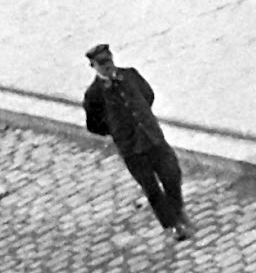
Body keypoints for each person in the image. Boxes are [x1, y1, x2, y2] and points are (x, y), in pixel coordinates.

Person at [81, 43, 193, 242]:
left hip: (153, 138)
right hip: (132, 149)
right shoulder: (94, 95)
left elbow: (148, 95)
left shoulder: (130, 75)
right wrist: (118, 132)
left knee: (172, 175)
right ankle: (172, 225)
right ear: (93, 67)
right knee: (151, 188)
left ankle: (177, 210)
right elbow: (94, 125)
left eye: (108, 61)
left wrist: (145, 120)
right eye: (101, 64)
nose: (107, 66)